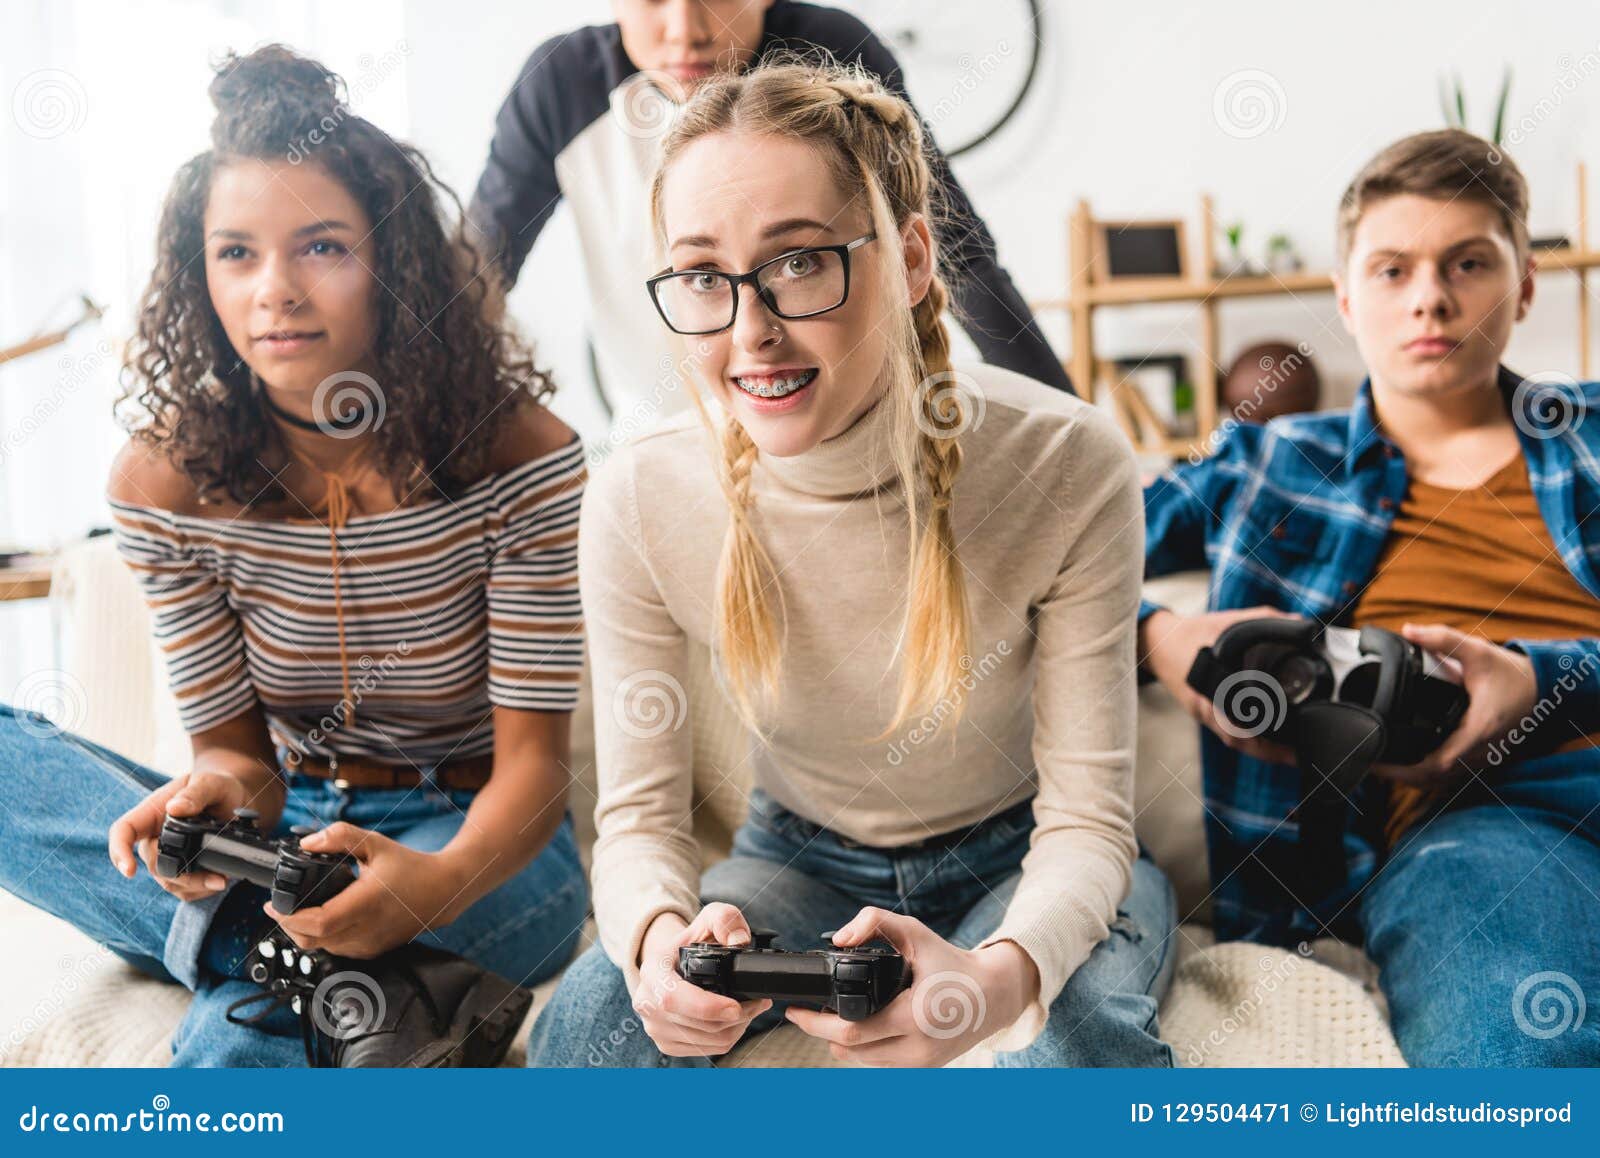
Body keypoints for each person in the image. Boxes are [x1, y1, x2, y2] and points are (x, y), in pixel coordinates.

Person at [528, 60, 1175, 1068]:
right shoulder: (637, 497)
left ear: (910, 260)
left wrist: (999, 978)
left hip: (1022, 851)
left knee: (1078, 1048)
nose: (751, 331)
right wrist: (657, 946)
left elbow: (1088, 823)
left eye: (797, 263)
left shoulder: (1067, 460)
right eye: (702, 277)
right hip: (796, 857)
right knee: (589, 1032)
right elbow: (641, 823)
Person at [0, 46, 589, 1066]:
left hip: (476, 837)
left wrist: (433, 886)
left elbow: (534, 770)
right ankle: (304, 959)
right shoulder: (165, 483)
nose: (274, 290)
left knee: (241, 1048)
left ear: (393, 263)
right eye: (236, 253)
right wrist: (213, 801)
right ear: (199, 276)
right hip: (289, 827)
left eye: (320, 247)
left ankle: (265, 950)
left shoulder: (516, 456)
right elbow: (239, 760)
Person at [1138, 129, 1600, 1066]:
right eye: (1393, 270)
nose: (1431, 297)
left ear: (1523, 286)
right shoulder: (1261, 464)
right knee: (1514, 1049)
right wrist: (1160, 638)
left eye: (1468, 263)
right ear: (1346, 299)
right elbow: (1036, 570)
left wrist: (1544, 681)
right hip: (1487, 825)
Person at [468, 0, 1072, 434]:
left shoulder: (832, 53)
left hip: (844, 434)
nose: (687, 30)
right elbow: (471, 283)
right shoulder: (560, 88)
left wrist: (1070, 426)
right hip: (666, 442)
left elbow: (960, 257)